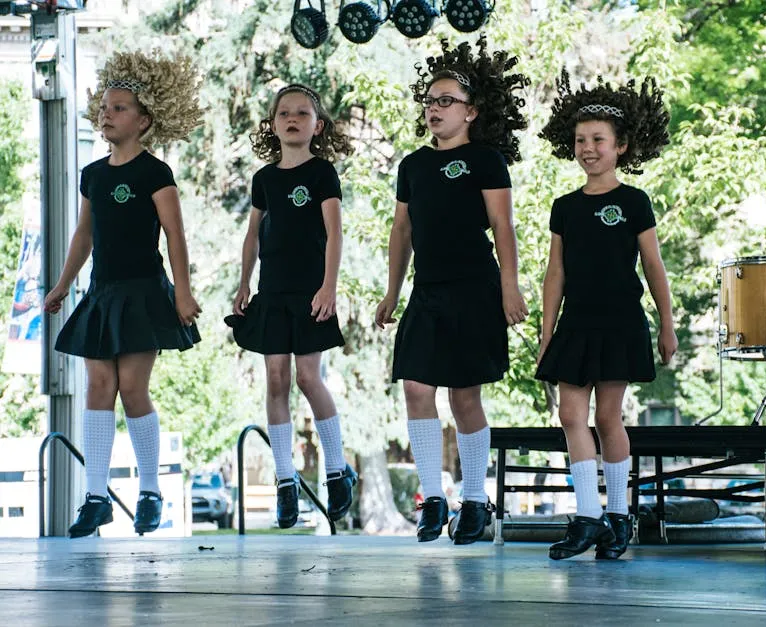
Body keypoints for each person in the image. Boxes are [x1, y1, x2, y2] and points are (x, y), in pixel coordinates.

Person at [374, 37, 529, 544]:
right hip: (428, 290)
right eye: (430, 100)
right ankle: (432, 498)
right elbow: (402, 232)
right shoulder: (412, 165)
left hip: (476, 288)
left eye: (446, 101)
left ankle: (476, 503)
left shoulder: (485, 159)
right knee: (416, 386)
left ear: (471, 112)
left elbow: (502, 227)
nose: (434, 109)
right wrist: (392, 292)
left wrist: (511, 288)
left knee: (465, 398)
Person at [44, 51, 203, 537]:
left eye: (119, 108)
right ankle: (95, 496)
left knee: (133, 388)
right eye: (105, 108)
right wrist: (63, 285)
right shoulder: (93, 174)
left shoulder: (156, 173)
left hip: (143, 294)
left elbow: (175, 235)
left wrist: (182, 293)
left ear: (144, 120)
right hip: (102, 293)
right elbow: (84, 235)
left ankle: (151, 490)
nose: (107, 115)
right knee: (97, 387)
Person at [536, 70, 676, 560]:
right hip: (575, 323)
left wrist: (668, 323)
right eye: (580, 140)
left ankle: (619, 515)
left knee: (608, 415)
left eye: (598, 139)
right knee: (569, 414)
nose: (587, 148)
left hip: (620, 321)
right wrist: (546, 329)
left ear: (620, 147)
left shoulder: (634, 201)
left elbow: (654, 266)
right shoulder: (564, 206)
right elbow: (555, 273)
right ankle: (589, 517)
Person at [225, 83, 357, 528]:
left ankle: (337, 470)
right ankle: (285, 479)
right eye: (284, 113)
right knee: (276, 378)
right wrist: (244, 283)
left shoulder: (322, 174)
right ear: (274, 123)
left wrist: (328, 286)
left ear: (317, 126)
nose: (293, 118)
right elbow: (252, 236)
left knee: (307, 376)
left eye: (303, 113)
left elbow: (334, 234)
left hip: (310, 291)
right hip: (272, 292)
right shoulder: (264, 179)